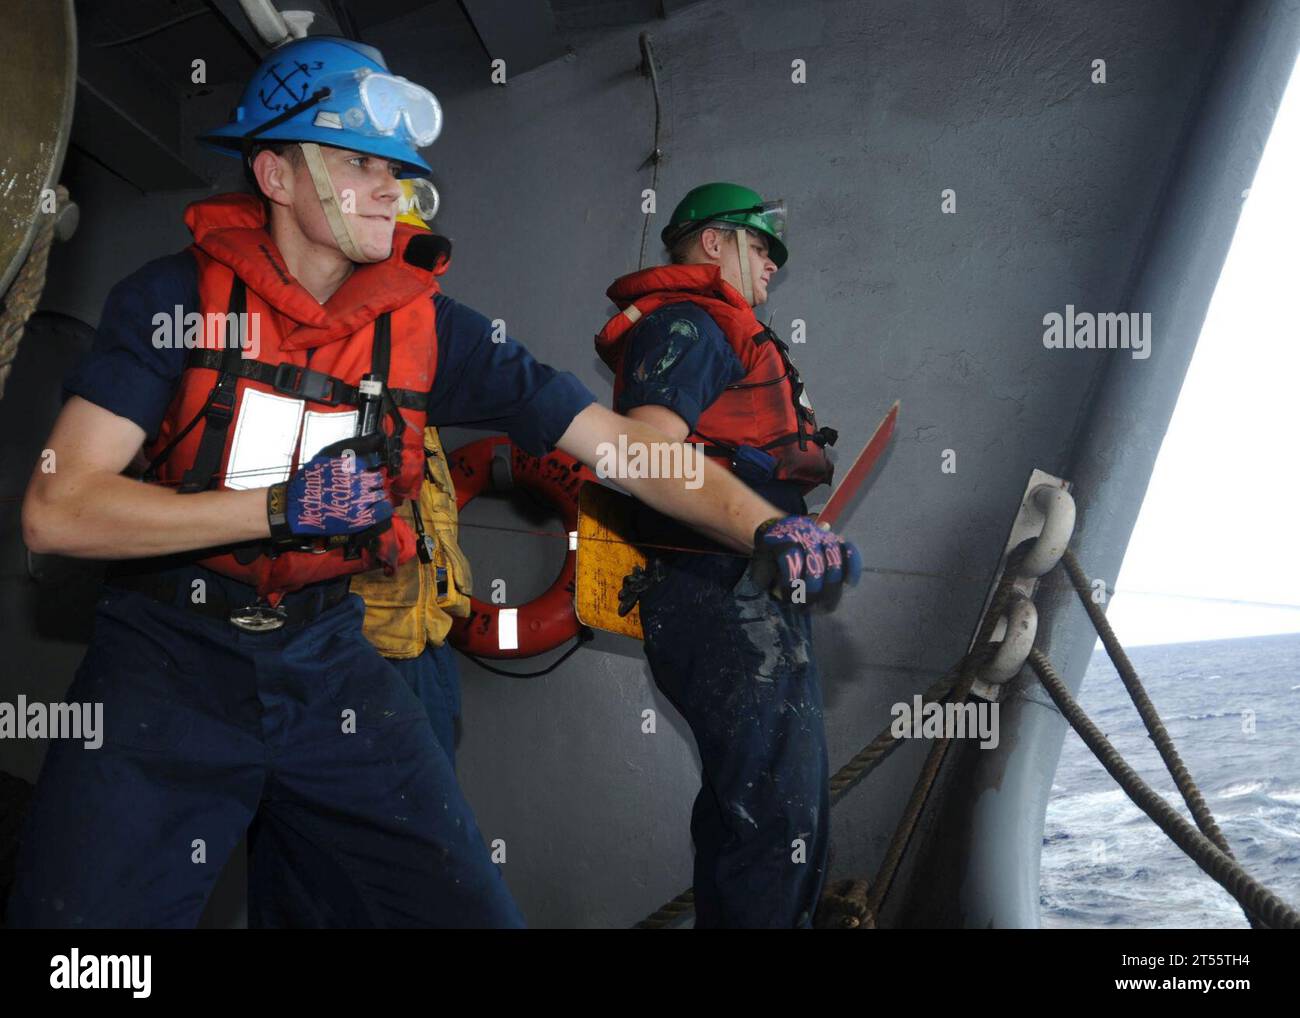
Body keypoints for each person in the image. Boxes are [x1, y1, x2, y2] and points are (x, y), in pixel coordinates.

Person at [9, 36, 858, 927]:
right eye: (358, 162)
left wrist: (759, 525)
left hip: (327, 657)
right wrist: (274, 508)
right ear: (275, 174)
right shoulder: (171, 301)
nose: (392, 186)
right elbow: (57, 510)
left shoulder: (430, 328)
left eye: (399, 167)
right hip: (166, 657)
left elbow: (623, 446)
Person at [594, 183, 853, 927]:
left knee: (759, 807)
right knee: (774, 818)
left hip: (741, 591)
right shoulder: (690, 326)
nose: (771, 265)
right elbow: (643, 451)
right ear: (716, 243)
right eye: (761, 247)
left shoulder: (714, 327)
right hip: (718, 594)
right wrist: (756, 525)